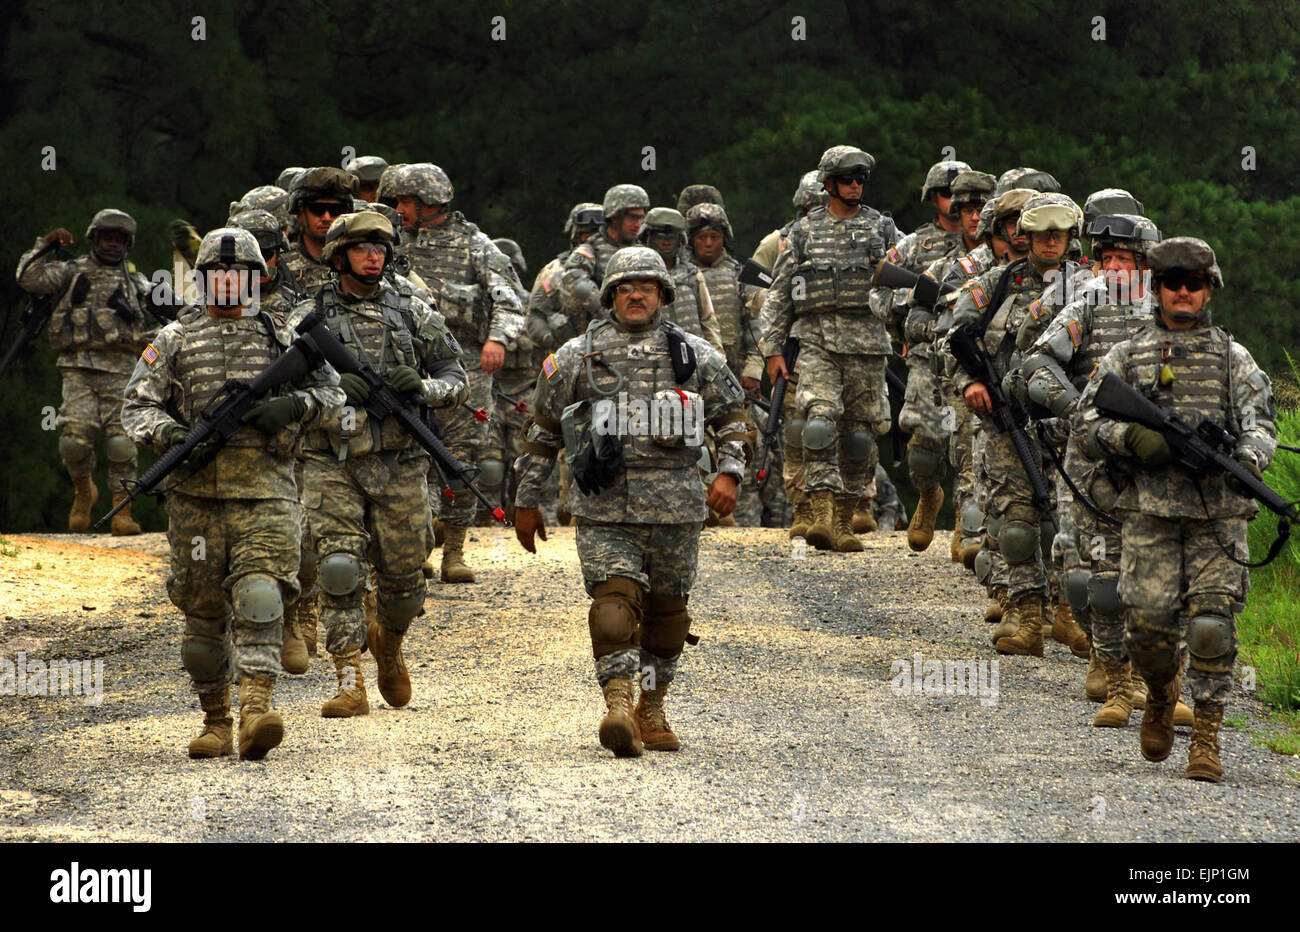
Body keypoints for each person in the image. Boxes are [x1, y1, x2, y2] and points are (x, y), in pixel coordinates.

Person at [512, 247, 751, 757]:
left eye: (646, 287)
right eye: (625, 287)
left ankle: (652, 705)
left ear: (663, 295)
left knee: (668, 616)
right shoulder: (576, 357)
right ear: (610, 296)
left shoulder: (697, 357)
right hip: (605, 509)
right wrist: (526, 498)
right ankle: (617, 705)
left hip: (677, 510)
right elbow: (542, 430)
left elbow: (733, 419)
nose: (636, 295)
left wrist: (730, 474)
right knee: (614, 608)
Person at [121, 228, 344, 759]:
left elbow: (336, 393)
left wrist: (294, 408)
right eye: (217, 275)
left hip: (267, 492)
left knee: (262, 598)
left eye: (238, 274)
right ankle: (216, 720)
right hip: (195, 502)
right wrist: (171, 434)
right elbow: (135, 408)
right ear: (202, 280)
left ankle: (257, 710)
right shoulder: (174, 339)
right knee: (202, 624)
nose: (227, 283)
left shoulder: (282, 338)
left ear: (256, 277)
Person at [1078, 237, 1274, 782]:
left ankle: (1206, 738)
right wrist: (1132, 439)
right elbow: (1084, 424)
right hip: (1149, 514)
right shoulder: (1128, 356)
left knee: (1211, 626)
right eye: (1172, 283)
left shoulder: (1233, 358)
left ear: (1209, 289)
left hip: (1217, 516)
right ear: (1157, 289)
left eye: (1194, 283)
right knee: (1147, 627)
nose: (1183, 292)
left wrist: (1246, 458)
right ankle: (1162, 692)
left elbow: (1262, 425)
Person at [759, 145, 899, 552]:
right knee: (818, 422)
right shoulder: (802, 232)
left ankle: (843, 517)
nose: (856, 186)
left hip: (868, 344)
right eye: (848, 179)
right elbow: (780, 293)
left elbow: (904, 284)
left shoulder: (882, 228)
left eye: (860, 179)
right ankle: (819, 514)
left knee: (859, 437)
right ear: (830, 184)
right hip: (816, 339)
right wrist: (772, 350)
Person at [16, 209, 159, 534]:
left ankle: (122, 509)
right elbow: (28, 277)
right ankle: (84, 492)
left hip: (123, 371)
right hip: (77, 368)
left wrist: (150, 360)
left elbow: (163, 327)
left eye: (118, 238)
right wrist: (45, 244)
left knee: (122, 444)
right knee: (73, 443)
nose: (111, 244)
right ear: (93, 238)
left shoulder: (139, 284)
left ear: (128, 243)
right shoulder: (72, 272)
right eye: (105, 237)